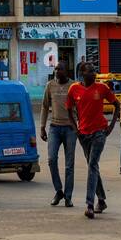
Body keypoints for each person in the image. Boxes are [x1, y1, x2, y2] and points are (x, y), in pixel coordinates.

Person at [66, 62, 117, 219]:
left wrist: (111, 126)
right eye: (90, 71)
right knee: (92, 166)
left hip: (99, 132)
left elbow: (116, 104)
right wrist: (75, 129)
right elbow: (68, 109)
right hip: (83, 134)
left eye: (95, 71)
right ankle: (101, 200)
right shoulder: (74, 89)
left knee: (92, 164)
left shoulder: (102, 88)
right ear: (82, 73)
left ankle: (89, 204)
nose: (94, 74)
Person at [40, 65, 77, 207]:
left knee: (69, 165)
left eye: (60, 69)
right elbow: (44, 106)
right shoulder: (50, 85)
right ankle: (58, 191)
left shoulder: (73, 85)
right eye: (55, 69)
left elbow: (80, 106)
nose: (57, 71)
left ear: (66, 71)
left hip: (70, 129)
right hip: (54, 128)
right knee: (51, 159)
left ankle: (68, 196)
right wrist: (42, 127)